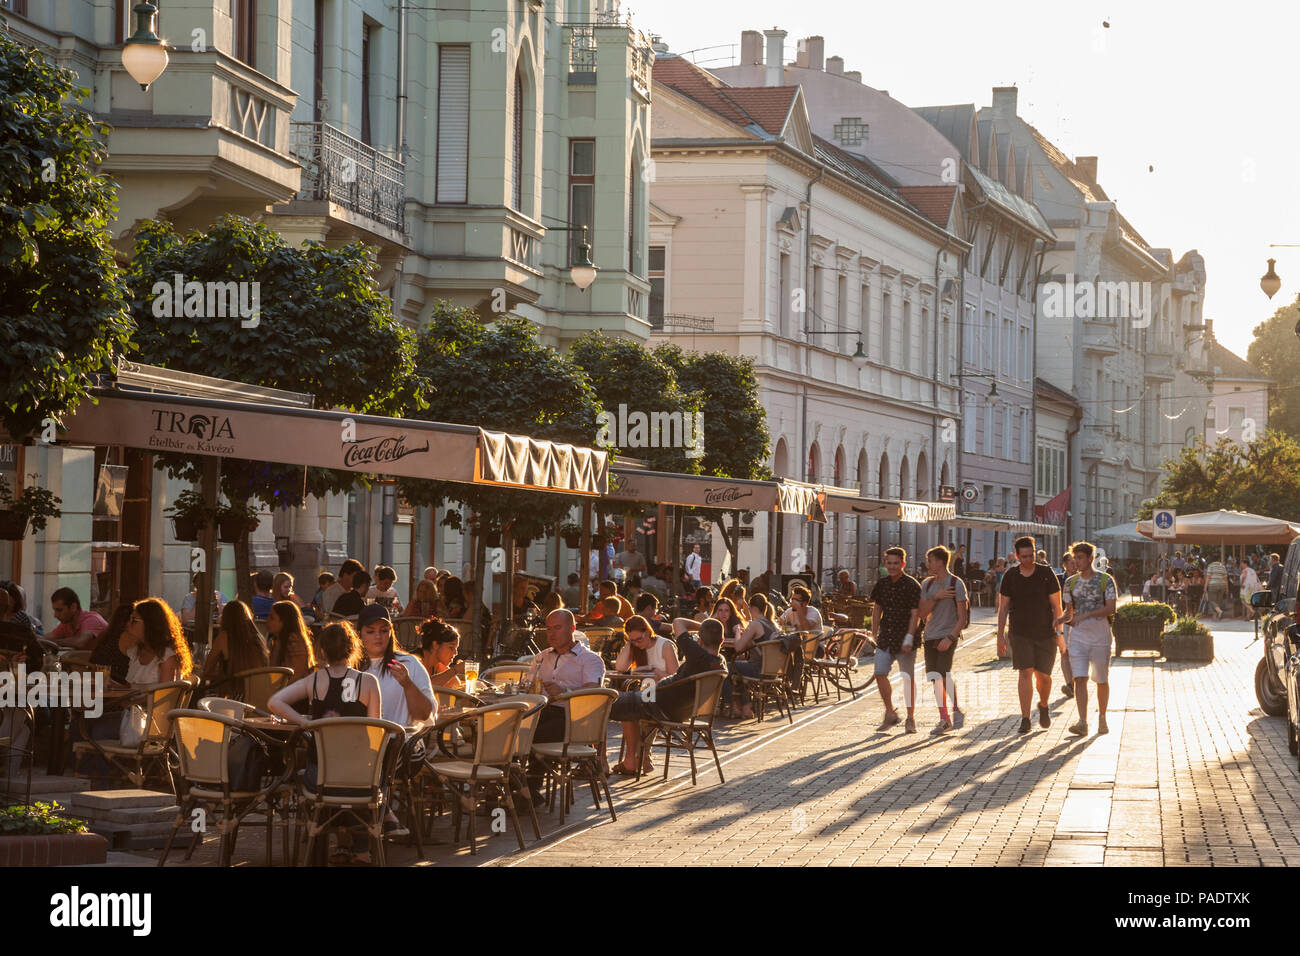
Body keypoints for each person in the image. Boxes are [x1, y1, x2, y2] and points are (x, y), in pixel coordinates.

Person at [609, 616, 720, 776]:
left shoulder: (697, 656)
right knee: (626, 705)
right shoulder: (720, 663)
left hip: (659, 705)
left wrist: (703, 627)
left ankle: (603, 761)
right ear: (722, 640)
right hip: (673, 707)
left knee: (604, 704)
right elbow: (621, 667)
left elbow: (678, 622)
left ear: (700, 641)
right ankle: (635, 759)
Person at [997, 536, 1065, 734]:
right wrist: (1000, 635)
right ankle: (1025, 718)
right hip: (1020, 632)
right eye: (1024, 556)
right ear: (1017, 556)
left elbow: (1057, 606)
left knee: (1044, 677)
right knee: (1025, 672)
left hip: (1045, 633)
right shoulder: (1010, 576)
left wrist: (1059, 632)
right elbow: (1003, 608)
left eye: (1031, 555)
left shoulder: (1046, 573)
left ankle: (1043, 705)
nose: (1028, 559)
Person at [1060, 540, 1117, 737]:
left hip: (1100, 637)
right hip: (1077, 637)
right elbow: (1069, 612)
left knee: (1101, 679)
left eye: (1080, 558)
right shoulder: (1070, 582)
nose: (1076, 562)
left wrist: (1086, 615)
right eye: (1074, 558)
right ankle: (1082, 721)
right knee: (1079, 678)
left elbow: (1111, 608)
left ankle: (1102, 717)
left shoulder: (1105, 580)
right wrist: (1059, 619)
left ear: (1090, 558)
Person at [354, 604, 434, 727]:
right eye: (370, 631)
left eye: (384, 631)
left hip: (402, 737)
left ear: (391, 632)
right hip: (360, 737)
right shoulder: (350, 667)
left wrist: (408, 684)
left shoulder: (409, 663)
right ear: (359, 634)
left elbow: (424, 715)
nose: (378, 636)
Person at [869, 547, 922, 733]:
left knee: (907, 678)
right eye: (889, 563)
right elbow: (877, 609)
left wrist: (909, 637)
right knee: (879, 673)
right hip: (886, 637)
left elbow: (916, 614)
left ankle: (910, 718)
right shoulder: (882, 584)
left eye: (896, 563)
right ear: (885, 564)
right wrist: (874, 632)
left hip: (906, 638)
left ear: (903, 564)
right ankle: (890, 712)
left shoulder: (912, 585)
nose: (892, 566)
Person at [917, 545, 968, 735]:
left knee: (943, 673)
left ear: (939, 562)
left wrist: (950, 637)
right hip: (930, 636)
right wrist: (936, 597)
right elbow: (921, 613)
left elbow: (962, 618)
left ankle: (952, 712)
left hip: (948, 634)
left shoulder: (956, 584)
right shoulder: (927, 584)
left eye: (930, 561)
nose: (928, 564)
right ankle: (946, 717)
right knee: (935, 677)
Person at [118, 598, 194, 686]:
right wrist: (111, 685)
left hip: (153, 696)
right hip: (130, 696)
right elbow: (130, 688)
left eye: (134, 620)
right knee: (103, 685)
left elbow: (166, 694)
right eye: (130, 619)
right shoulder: (136, 651)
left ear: (150, 624)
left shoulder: (167, 657)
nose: (128, 624)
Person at [202, 600, 270, 685]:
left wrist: (227, 673)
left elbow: (207, 671)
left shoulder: (224, 637)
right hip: (259, 690)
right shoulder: (258, 638)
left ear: (226, 618)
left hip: (235, 691)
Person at [267, 600, 317, 680]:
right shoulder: (276, 640)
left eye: (272, 618)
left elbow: (296, 675)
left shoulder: (295, 642)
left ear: (284, 621)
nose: (267, 621)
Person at [88, 604, 132, 685]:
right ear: (129, 622)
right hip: (116, 685)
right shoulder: (127, 639)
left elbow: (93, 664)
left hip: (100, 682)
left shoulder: (105, 636)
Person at [419, 617, 465, 689]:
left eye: (456, 648)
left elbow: (455, 684)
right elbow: (424, 687)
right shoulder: (414, 662)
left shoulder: (437, 664)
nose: (455, 653)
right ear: (435, 645)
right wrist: (455, 670)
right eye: (451, 648)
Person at [1056, 553, 1077, 700]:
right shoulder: (1058, 580)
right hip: (1063, 622)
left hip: (1079, 623)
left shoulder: (1081, 579)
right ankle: (1069, 685)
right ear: (1064, 564)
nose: (1074, 565)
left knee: (1076, 654)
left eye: (1076, 562)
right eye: (1071, 562)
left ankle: (1075, 683)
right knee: (1064, 653)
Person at [1204, 554, 1229, 620]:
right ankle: (1215, 616)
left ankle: (1219, 611)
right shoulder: (1222, 566)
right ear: (1218, 559)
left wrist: (1205, 587)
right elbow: (1226, 579)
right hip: (1222, 585)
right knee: (1218, 602)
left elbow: (1208, 577)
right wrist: (1227, 589)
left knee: (1211, 600)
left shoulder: (1210, 566)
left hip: (1213, 585)